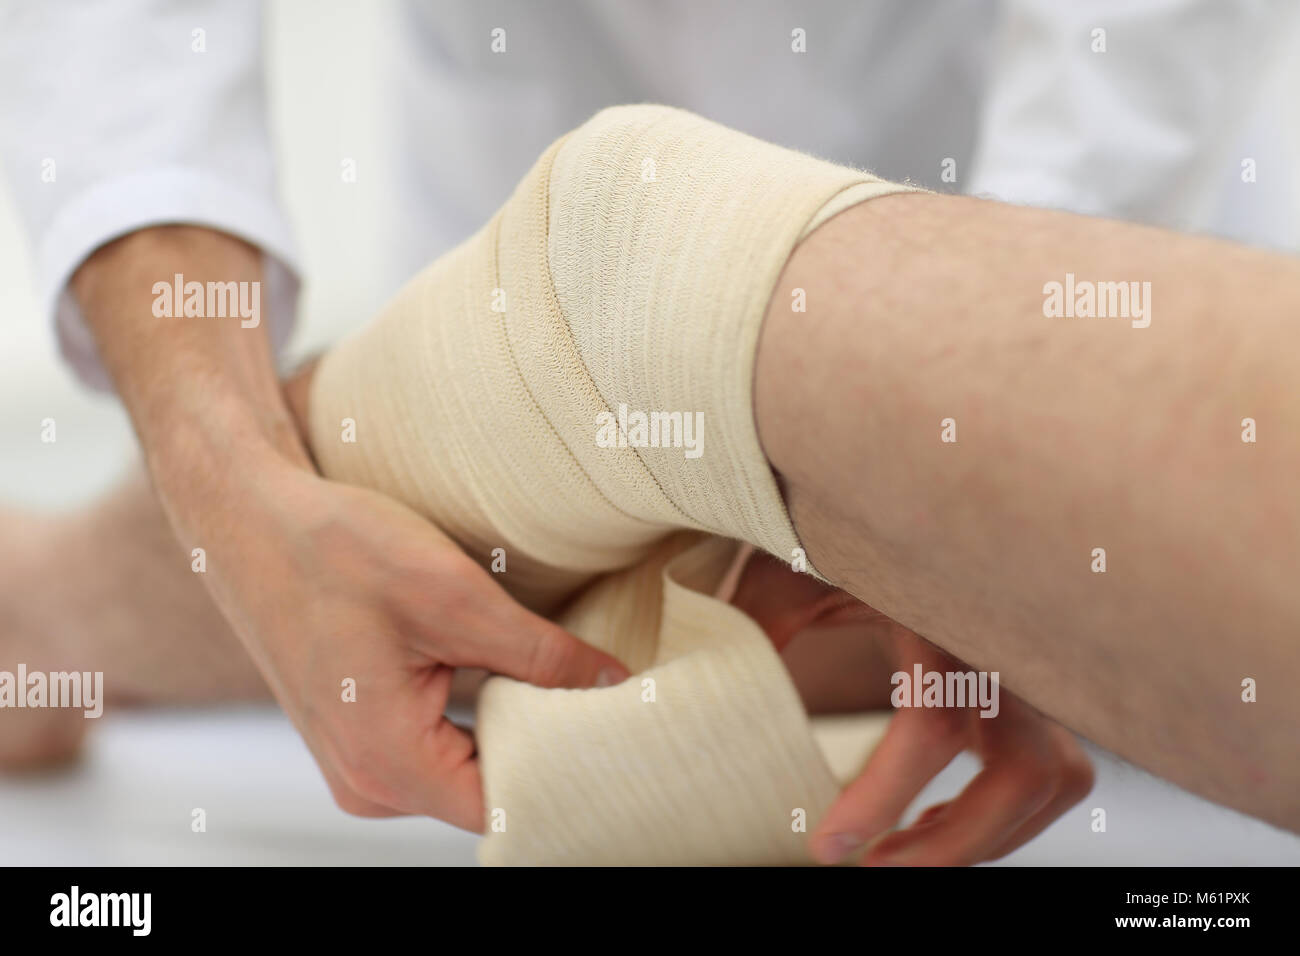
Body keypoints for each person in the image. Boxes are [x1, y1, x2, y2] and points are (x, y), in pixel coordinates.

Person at [0, 0, 1294, 863]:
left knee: (628, 316)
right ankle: (44, 614)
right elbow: (127, 38)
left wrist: (956, 480)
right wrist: (220, 477)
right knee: (576, 363)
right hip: (536, 184)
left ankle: (46, 609)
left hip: (1092, 233)